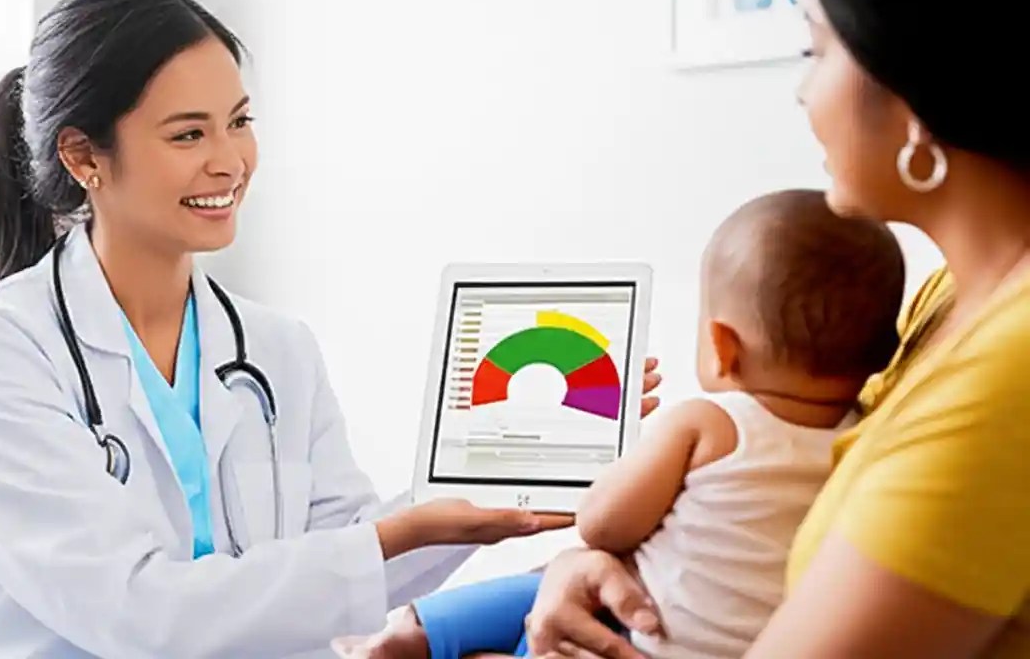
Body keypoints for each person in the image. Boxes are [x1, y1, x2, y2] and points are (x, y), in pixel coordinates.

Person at [0, 0, 664, 659]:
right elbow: (135, 611)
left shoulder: (277, 350)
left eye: (239, 121)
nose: (230, 160)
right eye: (188, 134)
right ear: (84, 157)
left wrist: (505, 479)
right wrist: (407, 530)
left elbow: (344, 560)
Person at [523, 0, 1030, 657]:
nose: (801, 92)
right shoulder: (949, 299)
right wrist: (581, 566)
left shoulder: (1010, 370)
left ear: (909, 82)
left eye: (814, 50)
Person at [333, 189, 907, 659]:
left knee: (543, 582)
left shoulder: (708, 424)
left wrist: (619, 464)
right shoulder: (870, 439)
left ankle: (410, 637)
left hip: (639, 631)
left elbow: (603, 527)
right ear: (887, 352)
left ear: (722, 346)